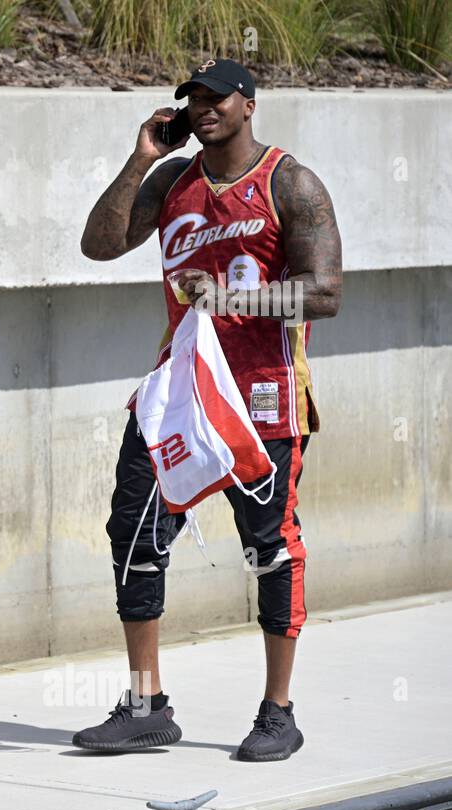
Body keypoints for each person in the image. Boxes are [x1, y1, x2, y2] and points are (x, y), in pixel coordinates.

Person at [77, 59, 342, 761]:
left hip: (262, 394)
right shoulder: (172, 181)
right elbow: (98, 245)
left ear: (248, 103)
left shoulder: (290, 182)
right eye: (192, 100)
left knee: (269, 544)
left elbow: (325, 294)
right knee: (132, 527)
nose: (203, 110)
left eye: (216, 98)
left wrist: (230, 298)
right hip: (180, 389)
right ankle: (145, 705)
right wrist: (142, 158)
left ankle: (278, 712)